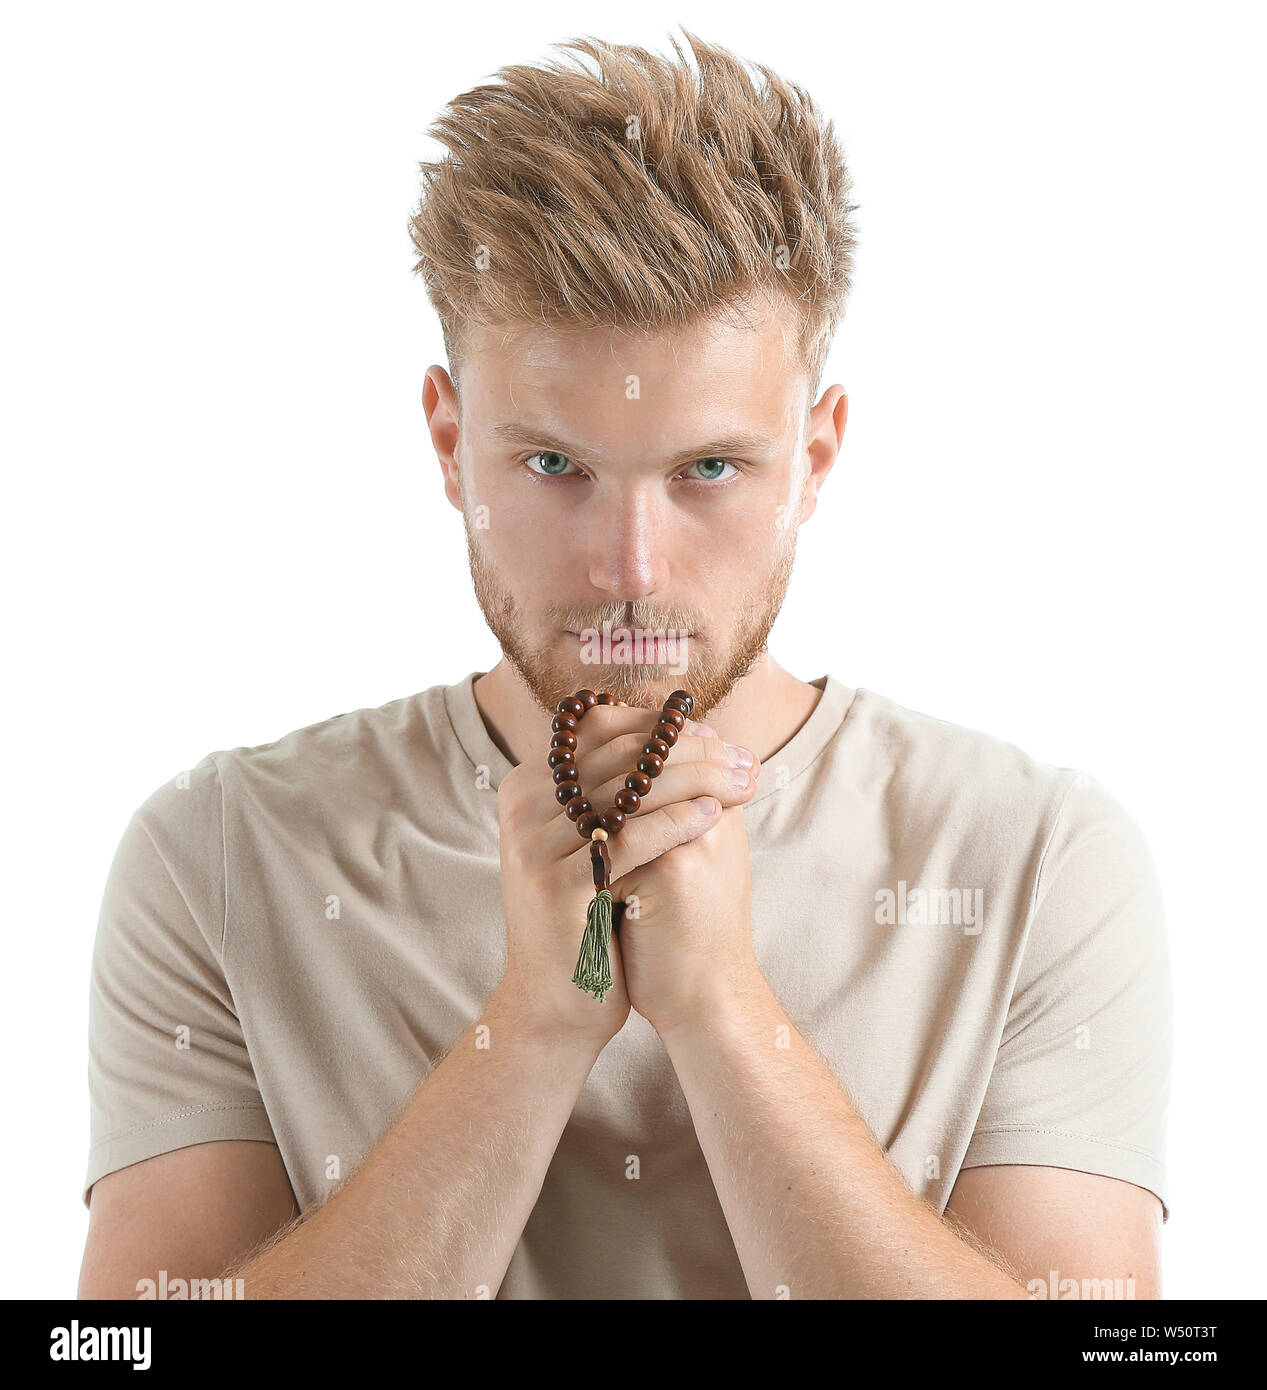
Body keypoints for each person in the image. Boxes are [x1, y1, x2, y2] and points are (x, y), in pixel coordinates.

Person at [78, 30, 1169, 1300]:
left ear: (815, 457)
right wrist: (532, 1029)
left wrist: (725, 1017)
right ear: (448, 440)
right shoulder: (220, 852)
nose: (629, 569)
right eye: (554, 467)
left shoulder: (1033, 859)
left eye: (709, 469)